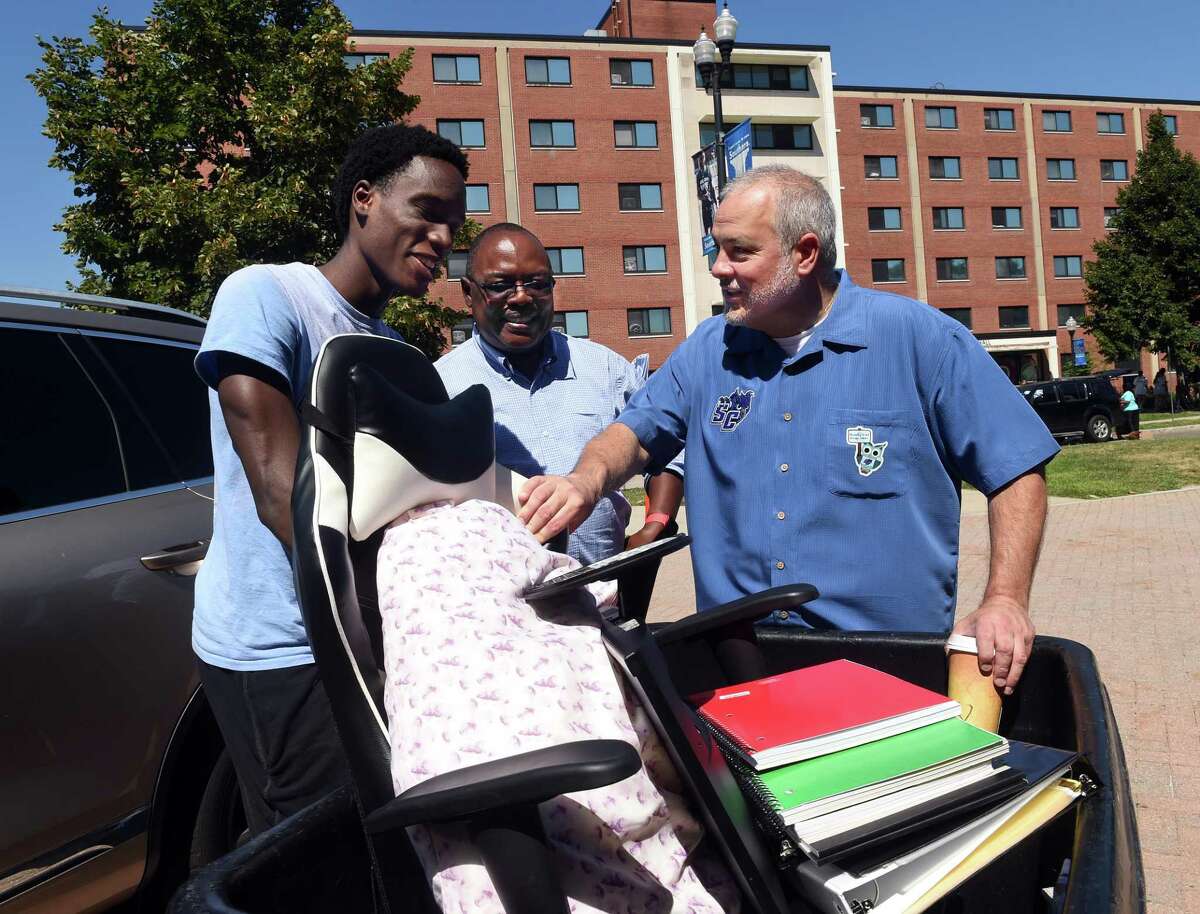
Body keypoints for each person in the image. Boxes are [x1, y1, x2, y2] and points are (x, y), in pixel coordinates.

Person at [518, 165, 1059, 696]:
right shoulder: (710, 350)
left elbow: (1014, 469)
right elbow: (634, 434)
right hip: (739, 662)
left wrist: (1005, 599)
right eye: (717, 249)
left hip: (884, 667)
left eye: (740, 251)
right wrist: (586, 479)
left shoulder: (921, 342)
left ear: (804, 254)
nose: (718, 268)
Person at [192, 124, 468, 834]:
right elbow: (283, 496)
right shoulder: (266, 296)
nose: (442, 238)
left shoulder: (399, 352)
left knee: (385, 844)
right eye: (427, 211)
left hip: (372, 633)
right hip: (284, 646)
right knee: (314, 854)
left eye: (453, 225)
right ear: (365, 199)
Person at [435, 222, 682, 564]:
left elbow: (668, 445)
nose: (521, 297)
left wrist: (655, 523)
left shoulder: (605, 369)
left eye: (537, 284)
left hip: (607, 592)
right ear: (467, 292)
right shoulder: (441, 387)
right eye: (501, 285)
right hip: (502, 606)